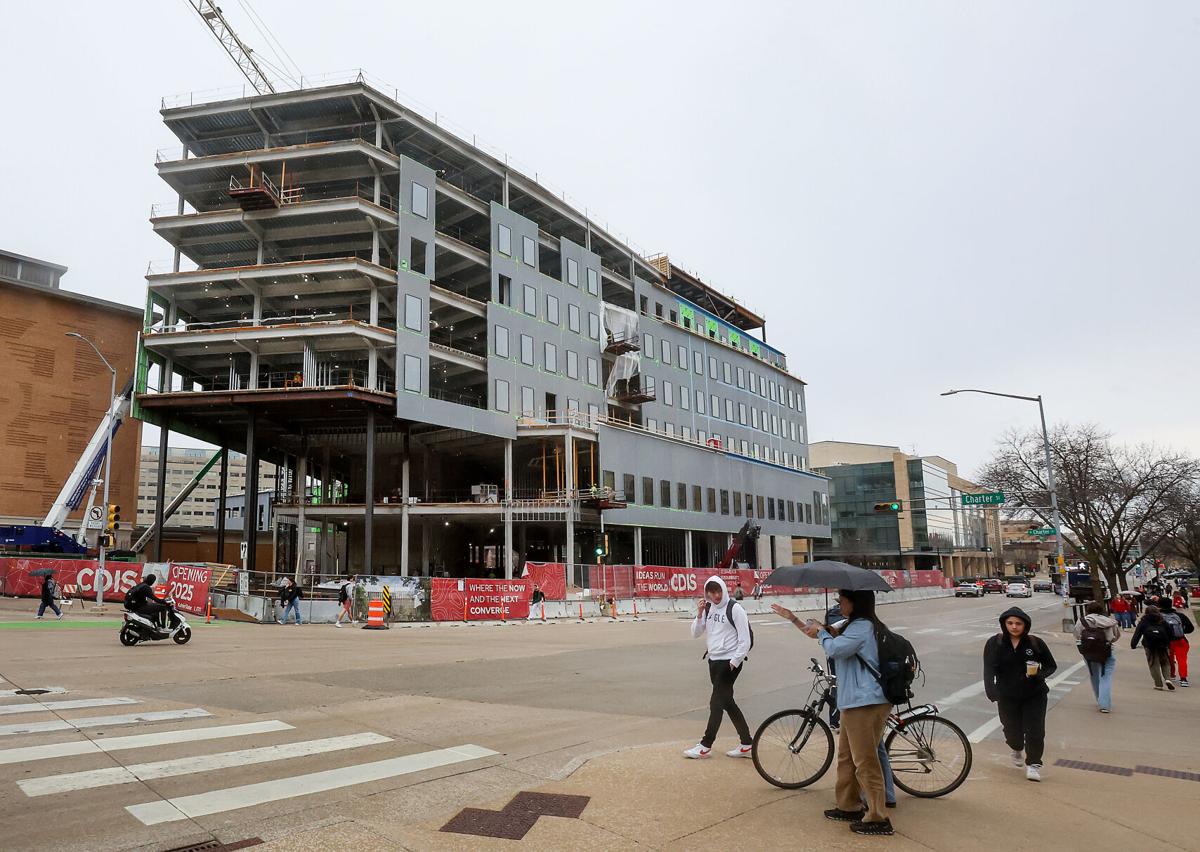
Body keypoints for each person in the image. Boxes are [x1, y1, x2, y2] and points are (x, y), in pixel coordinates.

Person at [772, 590, 895, 836]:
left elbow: (836, 649)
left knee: (865, 761)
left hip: (866, 701)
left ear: (856, 603)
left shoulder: (863, 627)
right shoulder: (849, 624)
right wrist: (793, 618)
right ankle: (849, 805)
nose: (840, 604)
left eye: (843, 600)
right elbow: (816, 632)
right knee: (847, 758)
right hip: (852, 702)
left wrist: (822, 634)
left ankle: (878, 817)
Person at [983, 607, 1057, 782]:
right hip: (1007, 695)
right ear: (1004, 624)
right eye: (1010, 623)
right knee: (1011, 730)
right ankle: (1016, 748)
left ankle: (1033, 764)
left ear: (1025, 625)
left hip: (1034, 694)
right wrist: (991, 691)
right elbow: (988, 669)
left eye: (1018, 623)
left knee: (1035, 730)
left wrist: (1038, 674)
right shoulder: (995, 643)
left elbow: (1051, 665)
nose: (1014, 627)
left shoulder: (1035, 643)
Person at [683, 577, 753, 762]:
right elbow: (695, 633)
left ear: (724, 589)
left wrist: (735, 661)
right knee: (727, 702)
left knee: (716, 703)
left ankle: (705, 745)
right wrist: (699, 614)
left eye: (718, 591)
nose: (715, 595)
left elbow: (745, 639)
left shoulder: (735, 609)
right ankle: (747, 742)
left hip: (729, 663)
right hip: (713, 661)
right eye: (711, 592)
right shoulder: (707, 608)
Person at [1073, 602, 1120, 713]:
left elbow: (1076, 634)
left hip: (1089, 652)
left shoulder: (1082, 621)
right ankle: (1105, 704)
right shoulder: (1109, 622)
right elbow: (1116, 636)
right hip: (1106, 651)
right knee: (1105, 676)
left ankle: (1099, 698)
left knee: (1094, 675)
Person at [1129, 605, 1173, 691]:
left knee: (1153, 664)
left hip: (1149, 645)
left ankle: (1158, 684)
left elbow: (1137, 634)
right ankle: (1168, 679)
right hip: (1162, 645)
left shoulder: (1144, 621)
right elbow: (1170, 633)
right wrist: (1168, 643)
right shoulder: (1162, 620)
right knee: (1165, 662)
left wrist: (1133, 644)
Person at [1157, 597, 1193, 687]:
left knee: (1169, 659)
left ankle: (1171, 674)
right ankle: (1183, 679)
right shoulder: (1180, 615)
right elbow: (1190, 628)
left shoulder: (1158, 616)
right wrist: (1181, 631)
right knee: (1182, 659)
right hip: (1181, 640)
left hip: (1167, 642)